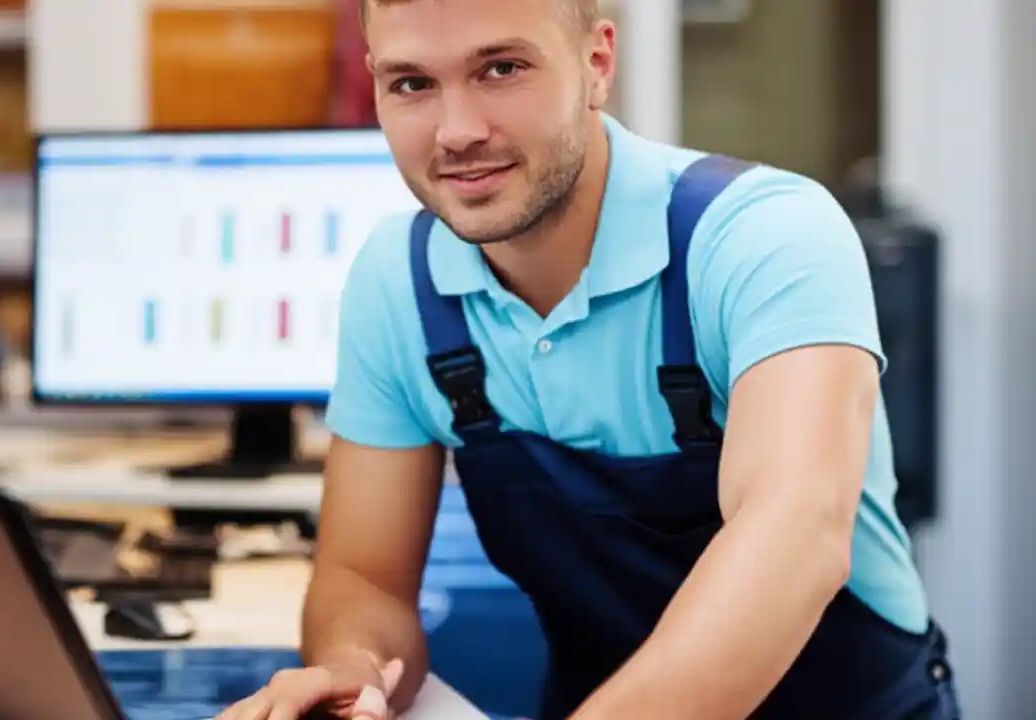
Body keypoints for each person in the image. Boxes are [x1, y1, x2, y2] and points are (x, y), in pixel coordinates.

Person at [218, 0, 960, 718]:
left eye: (502, 69)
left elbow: (793, 544)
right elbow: (364, 581)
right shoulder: (397, 282)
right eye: (413, 83)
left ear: (597, 63)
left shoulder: (765, 239)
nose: (457, 131)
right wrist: (353, 673)